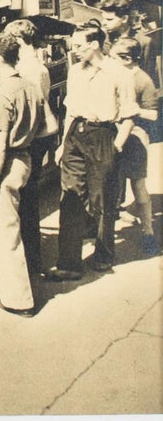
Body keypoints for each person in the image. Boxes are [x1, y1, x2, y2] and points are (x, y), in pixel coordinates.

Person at [45, 24, 138, 281]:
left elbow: (130, 115)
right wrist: (63, 145)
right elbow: (71, 111)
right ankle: (69, 263)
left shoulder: (119, 73)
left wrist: (116, 145)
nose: (74, 51)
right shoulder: (75, 71)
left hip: (103, 135)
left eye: (79, 45)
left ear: (95, 44)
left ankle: (103, 255)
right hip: (76, 133)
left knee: (102, 200)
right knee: (71, 196)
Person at [0, 32, 41, 317]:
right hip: (25, 159)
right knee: (6, 229)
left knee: (5, 233)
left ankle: (19, 300)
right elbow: (48, 126)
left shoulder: (2, 93)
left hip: (6, 166)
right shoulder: (29, 85)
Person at [4, 19, 59, 275]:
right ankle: (30, 258)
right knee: (26, 197)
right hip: (35, 137)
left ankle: (30, 260)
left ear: (18, 39)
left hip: (31, 139)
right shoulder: (35, 66)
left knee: (25, 200)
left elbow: (28, 107)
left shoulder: (30, 70)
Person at [110, 36, 161, 257]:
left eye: (114, 58)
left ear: (128, 59)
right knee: (112, 185)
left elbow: (154, 115)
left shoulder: (143, 80)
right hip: (116, 136)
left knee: (138, 186)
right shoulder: (116, 77)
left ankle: (148, 233)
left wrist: (134, 111)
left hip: (136, 140)